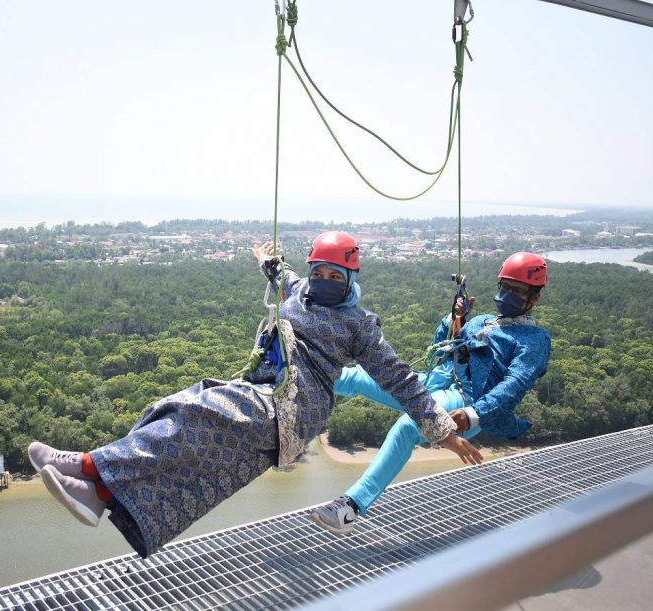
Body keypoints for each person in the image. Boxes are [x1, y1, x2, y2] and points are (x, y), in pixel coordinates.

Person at [28, 231, 483, 557]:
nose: (323, 279)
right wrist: (267, 260)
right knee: (182, 426)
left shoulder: (359, 325)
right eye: (317, 270)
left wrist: (443, 431)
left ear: (350, 278)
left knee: (196, 414)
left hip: (295, 404)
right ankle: (99, 496)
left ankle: (89, 466)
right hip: (264, 391)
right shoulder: (303, 292)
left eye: (334, 274)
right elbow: (283, 275)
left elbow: (401, 380)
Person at [310, 251, 551, 534]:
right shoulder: (482, 320)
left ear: (534, 298)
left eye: (517, 290)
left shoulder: (535, 340)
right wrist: (453, 320)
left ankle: (350, 507)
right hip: (436, 382)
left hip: (466, 399)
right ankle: (291, 380)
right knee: (356, 377)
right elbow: (442, 346)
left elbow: (515, 384)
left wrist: (473, 414)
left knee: (409, 425)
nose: (507, 294)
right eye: (505, 287)